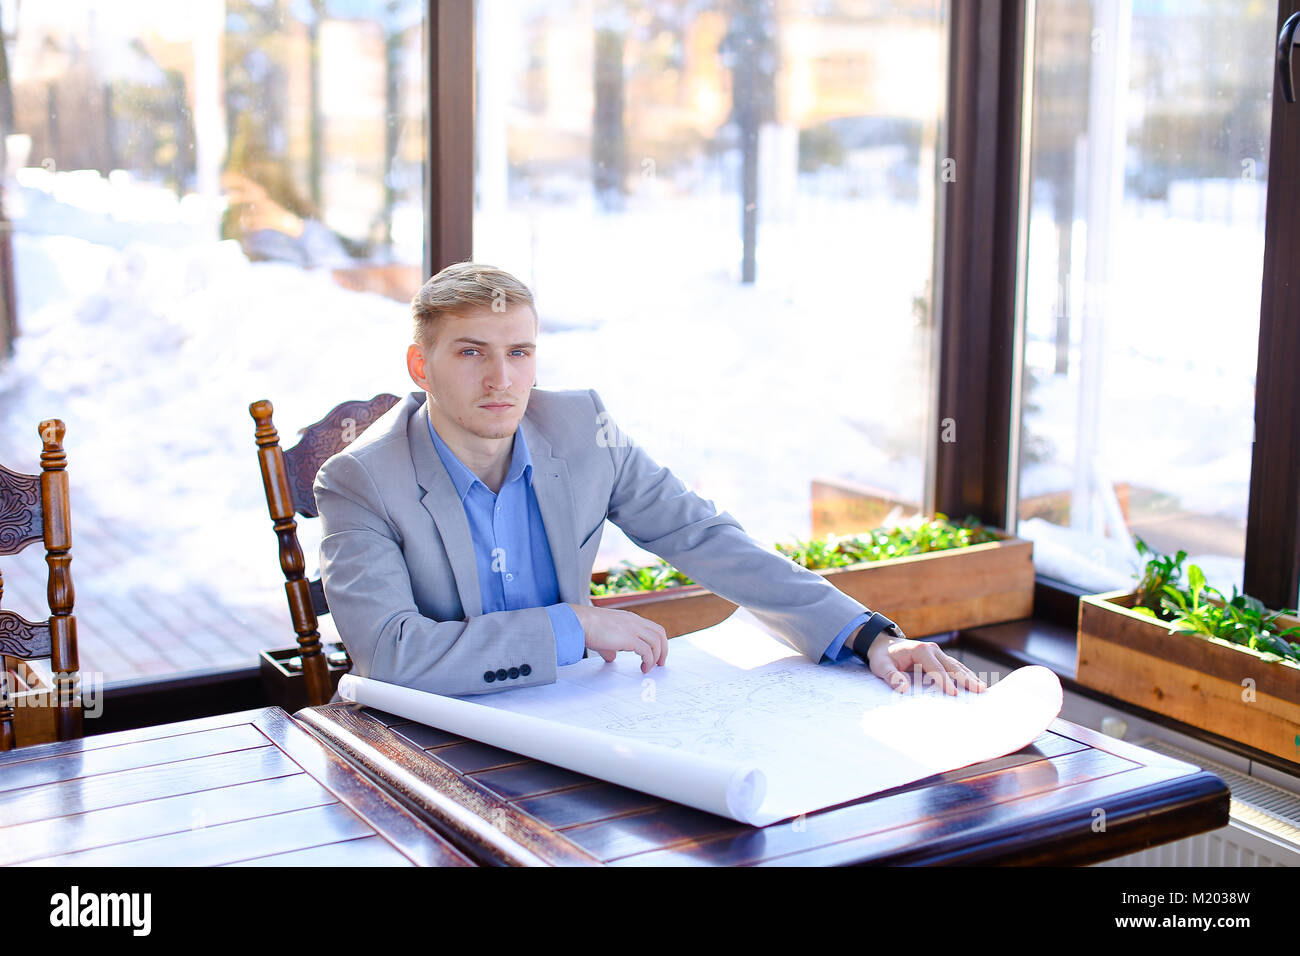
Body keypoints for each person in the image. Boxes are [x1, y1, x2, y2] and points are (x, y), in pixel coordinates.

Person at [314, 262, 986, 699]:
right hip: (437, 744)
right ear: (419, 366)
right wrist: (571, 626)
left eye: (519, 353)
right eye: (471, 354)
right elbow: (390, 656)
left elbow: (703, 536)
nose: (502, 379)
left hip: (578, 716)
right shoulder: (360, 481)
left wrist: (870, 637)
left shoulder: (581, 428)